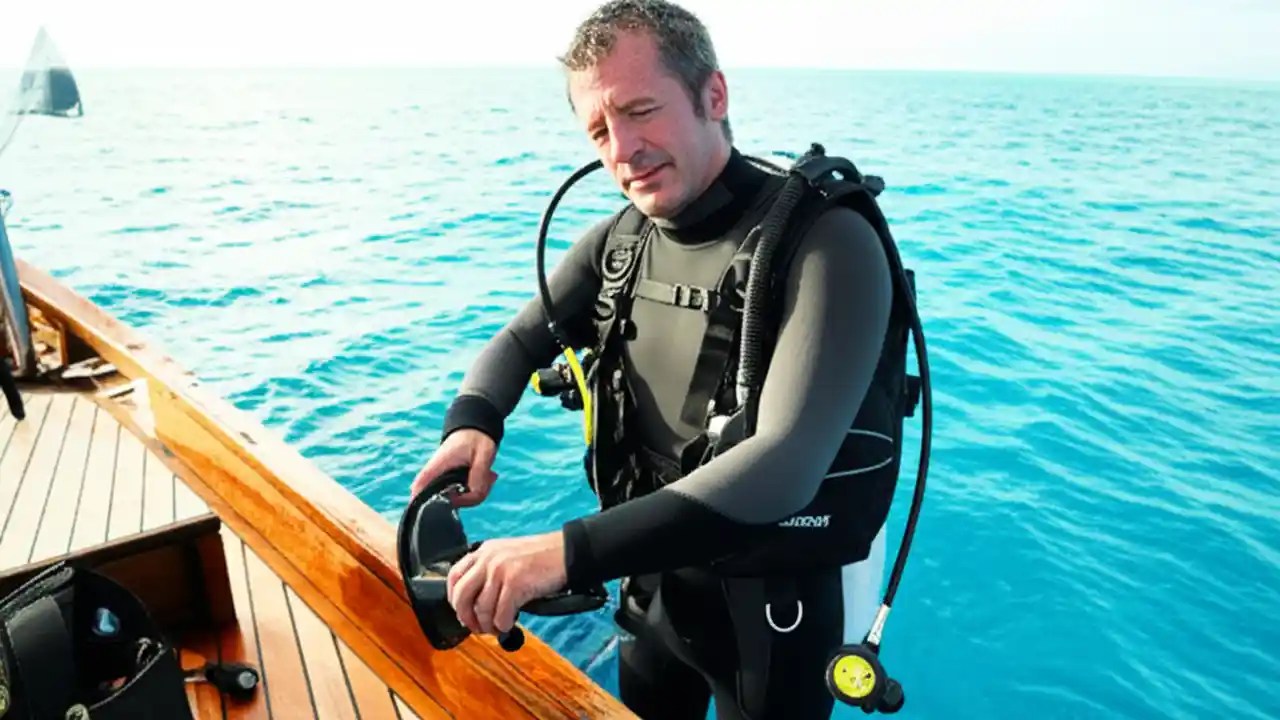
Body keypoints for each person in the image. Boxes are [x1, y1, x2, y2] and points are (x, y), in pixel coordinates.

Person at [410, 1, 916, 717]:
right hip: (647, 582)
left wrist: (562, 554)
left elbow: (783, 467)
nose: (622, 150)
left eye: (640, 111)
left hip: (772, 610)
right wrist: (473, 422)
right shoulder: (620, 242)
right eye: (599, 130)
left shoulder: (828, 245)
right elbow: (520, 341)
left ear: (714, 95)